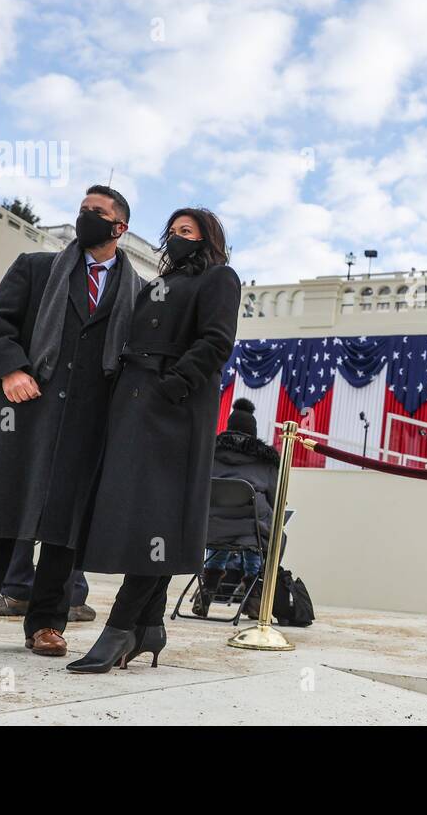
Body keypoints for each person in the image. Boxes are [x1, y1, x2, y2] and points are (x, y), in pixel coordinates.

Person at [0, 187, 142, 657]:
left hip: (87, 423)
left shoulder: (136, 289)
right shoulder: (35, 267)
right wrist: (11, 369)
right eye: (83, 210)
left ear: (119, 227)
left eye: (97, 213)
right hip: (23, 413)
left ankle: (46, 624)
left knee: (64, 529)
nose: (86, 217)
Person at [68, 207, 241, 672]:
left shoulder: (220, 278)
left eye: (187, 231)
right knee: (143, 514)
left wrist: (175, 385)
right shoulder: (159, 283)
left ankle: (119, 628)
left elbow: (217, 340)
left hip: (174, 407)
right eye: (173, 231)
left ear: (208, 239)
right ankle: (149, 627)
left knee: (157, 517)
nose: (176, 237)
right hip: (135, 399)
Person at [192, 397, 279, 619]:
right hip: (250, 532)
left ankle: (207, 587)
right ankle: (253, 594)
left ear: (229, 428)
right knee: (259, 534)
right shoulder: (265, 460)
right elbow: (273, 498)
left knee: (221, 522)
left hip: (207, 530)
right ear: (253, 431)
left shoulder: (208, 451)